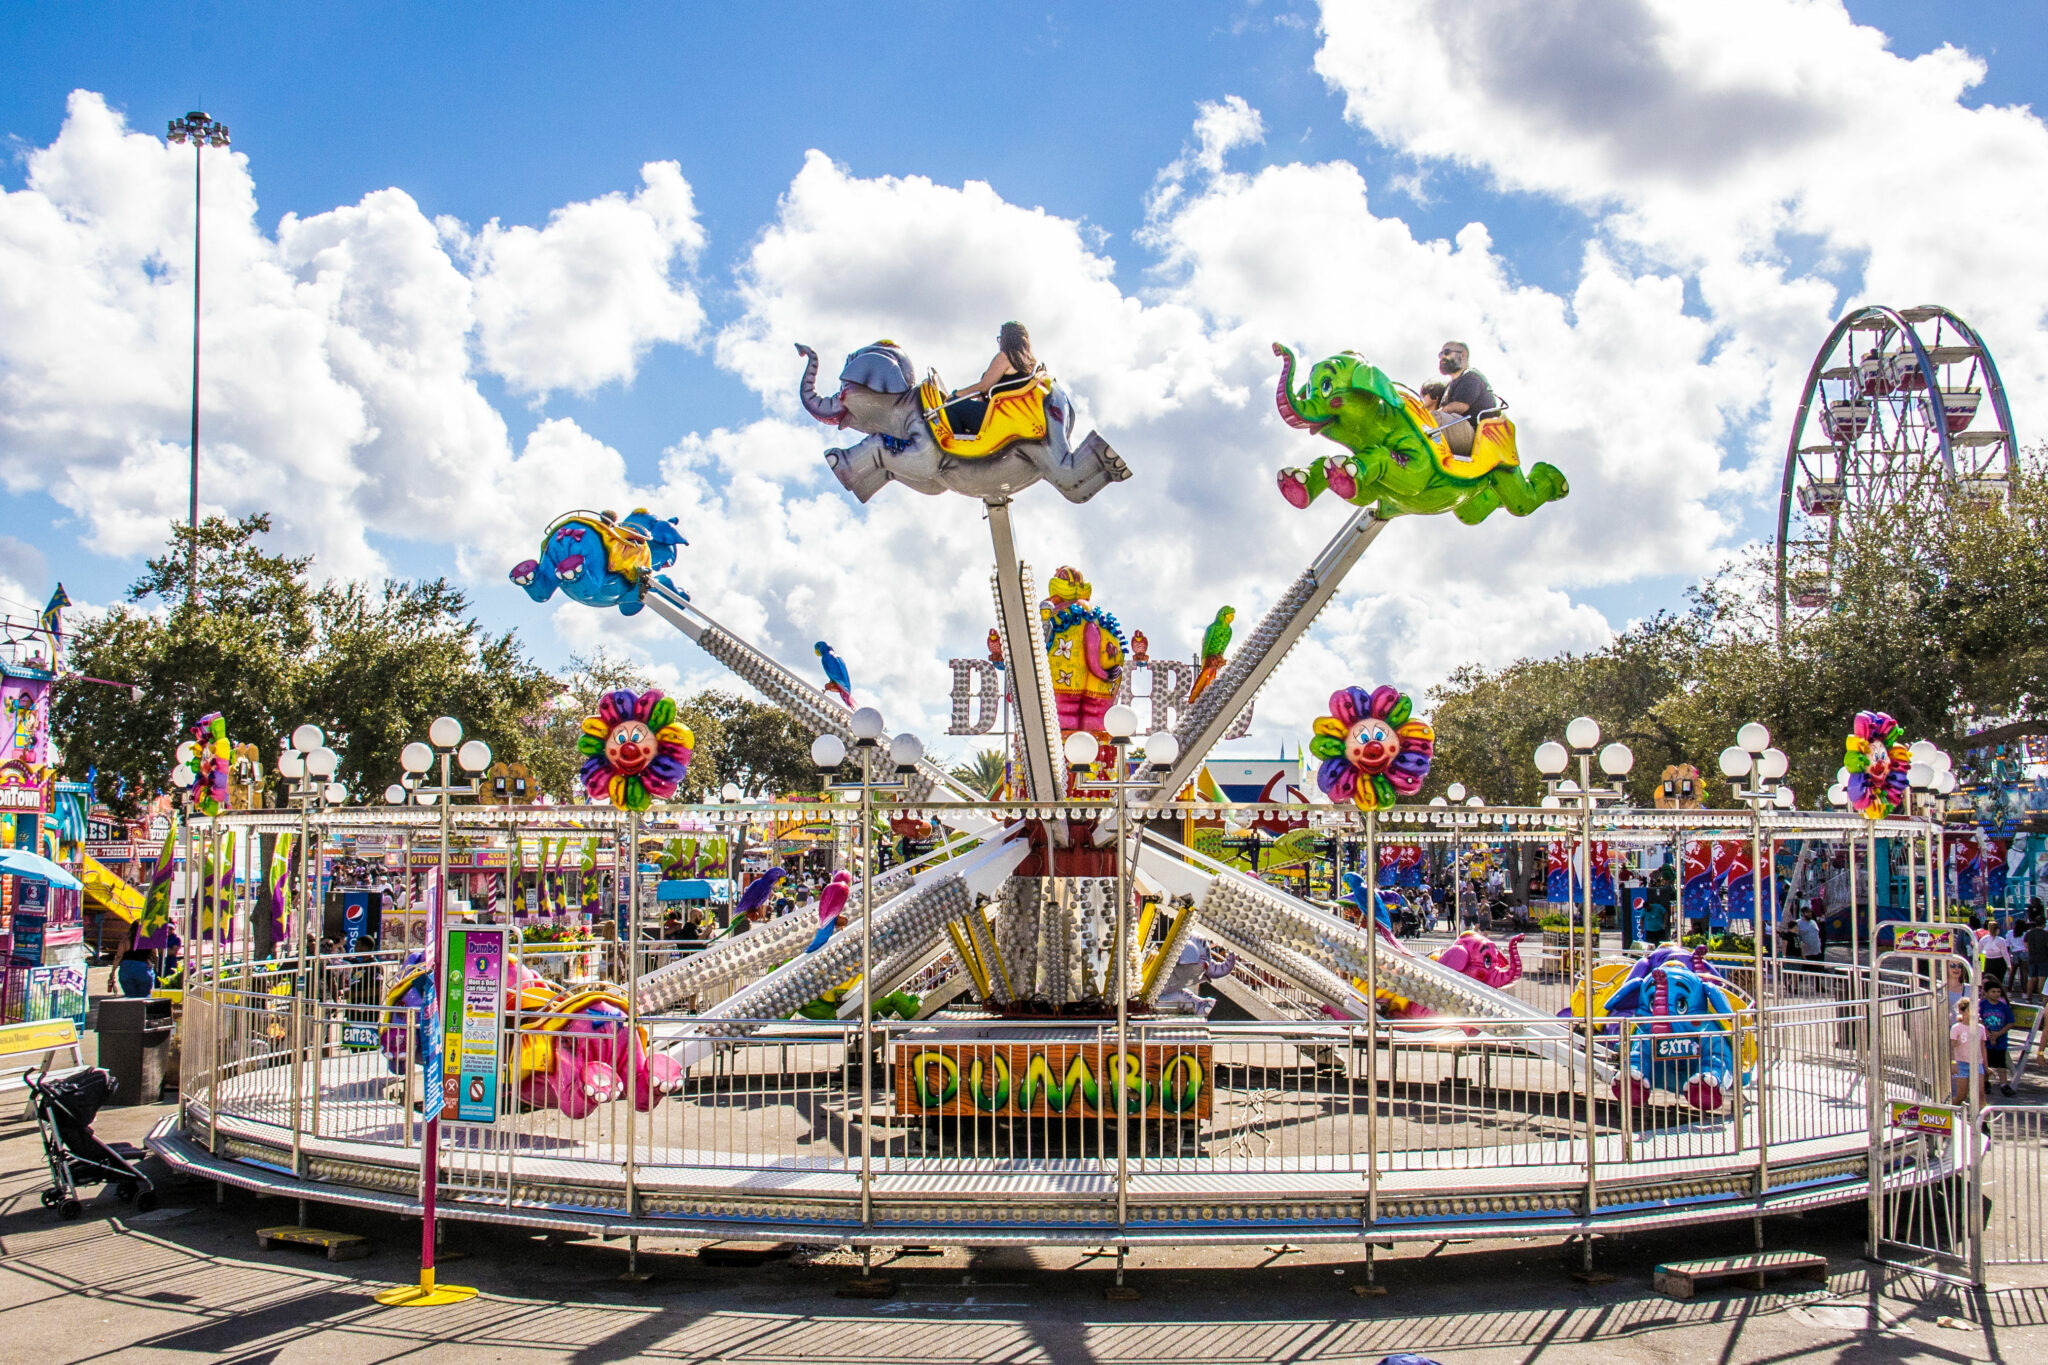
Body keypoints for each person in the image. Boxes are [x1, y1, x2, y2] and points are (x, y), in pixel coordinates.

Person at [944, 322, 1040, 438]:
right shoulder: (1029, 363)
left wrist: (956, 395)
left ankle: (958, 449)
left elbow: (983, 387)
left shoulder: (1006, 357)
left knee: (948, 405)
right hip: (1013, 418)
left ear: (1006, 338)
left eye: (1000, 338)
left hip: (997, 418)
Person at [1433, 340, 1499, 458]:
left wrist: (1429, 415)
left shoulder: (1471, 377)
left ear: (1462, 355)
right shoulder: (1450, 385)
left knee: (1430, 419)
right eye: (1440, 354)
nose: (1442, 357)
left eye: (1446, 352)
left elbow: (1460, 407)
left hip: (1473, 435)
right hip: (1457, 428)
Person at [1981, 981, 2017, 1097]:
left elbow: (2010, 1023)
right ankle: (1986, 1082)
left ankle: (2004, 1085)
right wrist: (1989, 1034)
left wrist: (1997, 1034)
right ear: (1986, 993)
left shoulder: (2004, 1007)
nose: (1996, 994)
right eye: (1993, 992)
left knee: (2001, 1064)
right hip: (1985, 1040)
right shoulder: (1982, 1005)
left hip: (2000, 1040)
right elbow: (1979, 1020)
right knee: (1985, 1062)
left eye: (1998, 992)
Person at [1952, 999, 1986, 1105]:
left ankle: (1982, 1120)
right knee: (1962, 1095)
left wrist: (1986, 1065)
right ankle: (1948, 1112)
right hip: (1961, 1063)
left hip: (1977, 1063)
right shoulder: (1956, 1028)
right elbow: (1952, 1046)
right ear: (1962, 1011)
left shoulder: (1980, 1028)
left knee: (1980, 1094)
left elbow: (1983, 1048)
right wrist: (1953, 1063)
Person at [2026, 917, 2048, 998]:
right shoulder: (2045, 934)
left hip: (2032, 958)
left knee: (2031, 978)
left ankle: (2028, 997)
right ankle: (2041, 998)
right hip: (2043, 958)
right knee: (2042, 979)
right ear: (2043, 924)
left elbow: (2026, 946)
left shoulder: (2029, 933)